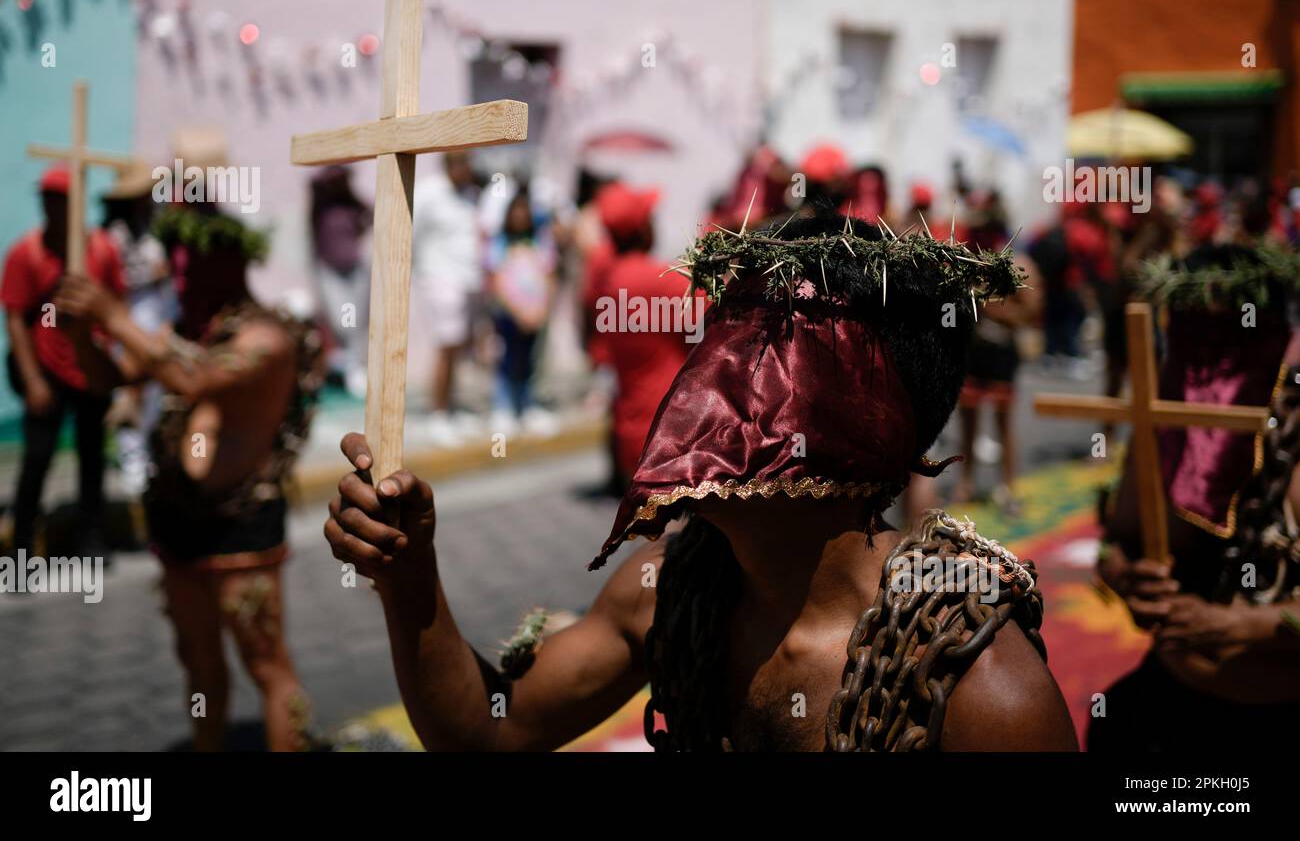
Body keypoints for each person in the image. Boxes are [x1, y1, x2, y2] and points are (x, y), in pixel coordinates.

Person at [324, 210, 1077, 751]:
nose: (702, 400)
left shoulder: (983, 693)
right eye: (716, 344)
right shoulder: (666, 592)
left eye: (763, 367)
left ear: (868, 425)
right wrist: (407, 574)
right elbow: (492, 727)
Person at [54, 206, 323, 751]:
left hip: (242, 525)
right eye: (176, 265)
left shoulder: (267, 338)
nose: (178, 278)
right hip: (179, 522)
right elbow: (107, 376)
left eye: (190, 266)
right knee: (199, 666)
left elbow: (190, 375)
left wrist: (110, 310)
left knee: (268, 666)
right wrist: (84, 335)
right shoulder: (179, 331)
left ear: (228, 264)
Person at [1089, 242, 1300, 751]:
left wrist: (1241, 624)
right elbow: (1111, 543)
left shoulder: (1293, 426)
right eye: (1191, 337)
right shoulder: (1163, 417)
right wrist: (1129, 580)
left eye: (1228, 338)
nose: (1207, 368)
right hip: (1171, 698)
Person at [2, 165, 125, 558]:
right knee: (37, 459)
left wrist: (112, 363)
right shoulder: (27, 253)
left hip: (88, 369)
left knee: (93, 456)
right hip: (46, 369)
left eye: (60, 200)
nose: (51, 208)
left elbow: (115, 306)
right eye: (47, 199)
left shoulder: (101, 249)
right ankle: (21, 547)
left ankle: (91, 539)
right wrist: (32, 378)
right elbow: (17, 318)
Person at [587, 183, 692, 490]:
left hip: (633, 426)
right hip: (666, 431)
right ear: (642, 229)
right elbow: (716, 304)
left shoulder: (608, 274)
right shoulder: (654, 278)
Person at [951, 190, 1041, 511]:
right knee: (968, 419)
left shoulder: (1017, 263)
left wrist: (992, 310)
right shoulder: (964, 261)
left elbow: (1031, 310)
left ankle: (1007, 484)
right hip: (973, 351)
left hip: (1002, 352)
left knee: (1003, 421)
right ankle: (966, 481)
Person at [101, 161, 176, 497]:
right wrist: (153, 275)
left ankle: (145, 449)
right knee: (133, 384)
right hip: (129, 311)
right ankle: (131, 452)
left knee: (156, 384)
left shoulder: (152, 226)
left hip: (155, 310)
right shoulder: (114, 235)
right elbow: (116, 279)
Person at [411, 152, 481, 444]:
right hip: (438, 278)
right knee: (446, 345)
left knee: (458, 349)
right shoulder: (428, 193)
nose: (465, 169)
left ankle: (450, 406)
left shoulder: (472, 195)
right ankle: (438, 414)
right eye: (460, 163)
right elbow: (412, 232)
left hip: (466, 281)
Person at [485, 184, 557, 434]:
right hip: (510, 315)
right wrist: (517, 312)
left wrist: (542, 309)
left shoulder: (540, 240)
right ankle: (504, 407)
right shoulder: (500, 242)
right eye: (515, 211)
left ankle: (528, 404)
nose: (520, 216)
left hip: (534, 314)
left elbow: (549, 275)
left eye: (523, 210)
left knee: (531, 360)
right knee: (508, 359)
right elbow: (497, 280)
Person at [308, 165, 371, 399]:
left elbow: (373, 214)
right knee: (340, 320)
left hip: (355, 268)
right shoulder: (320, 206)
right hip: (329, 269)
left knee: (358, 322)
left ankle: (355, 369)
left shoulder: (353, 204)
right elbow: (313, 182)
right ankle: (343, 364)